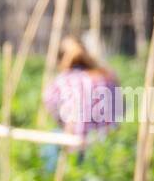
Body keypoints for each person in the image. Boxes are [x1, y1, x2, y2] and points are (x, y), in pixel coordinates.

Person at [41, 36, 123, 171]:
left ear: (61, 61)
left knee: (51, 142)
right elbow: (120, 111)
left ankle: (51, 178)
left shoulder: (64, 79)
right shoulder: (108, 75)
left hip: (77, 145)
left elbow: (50, 103)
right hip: (107, 146)